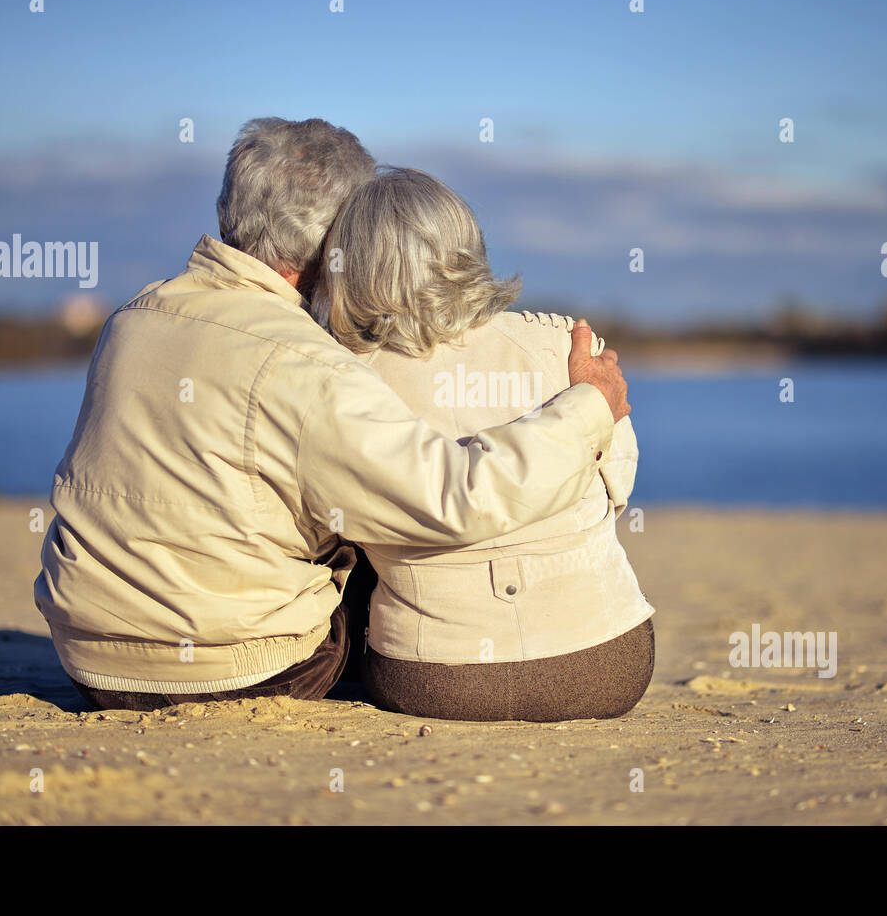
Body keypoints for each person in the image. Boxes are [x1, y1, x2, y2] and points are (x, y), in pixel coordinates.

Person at [32, 118, 630, 711]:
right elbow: (456, 500)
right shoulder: (309, 364)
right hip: (231, 668)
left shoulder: (132, 317)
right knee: (371, 526)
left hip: (86, 655)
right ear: (342, 241)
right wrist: (589, 408)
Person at [312, 168, 653, 722]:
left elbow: (337, 525)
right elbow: (618, 488)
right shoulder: (566, 346)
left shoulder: (344, 380)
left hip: (431, 678)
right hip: (606, 664)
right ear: (468, 247)